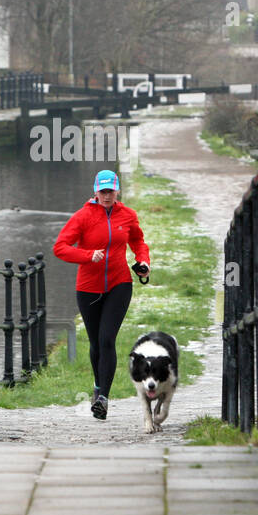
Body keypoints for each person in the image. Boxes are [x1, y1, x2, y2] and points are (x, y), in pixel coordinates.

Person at [52, 169, 150, 420]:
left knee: (107, 339)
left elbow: (138, 242)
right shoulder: (82, 217)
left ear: (117, 191)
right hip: (88, 288)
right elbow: (60, 248)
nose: (107, 196)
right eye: (103, 191)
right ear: (95, 192)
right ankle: (98, 387)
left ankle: (103, 398)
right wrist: (87, 255)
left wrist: (142, 261)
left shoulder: (127, 215)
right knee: (95, 343)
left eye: (111, 191)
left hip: (119, 284)